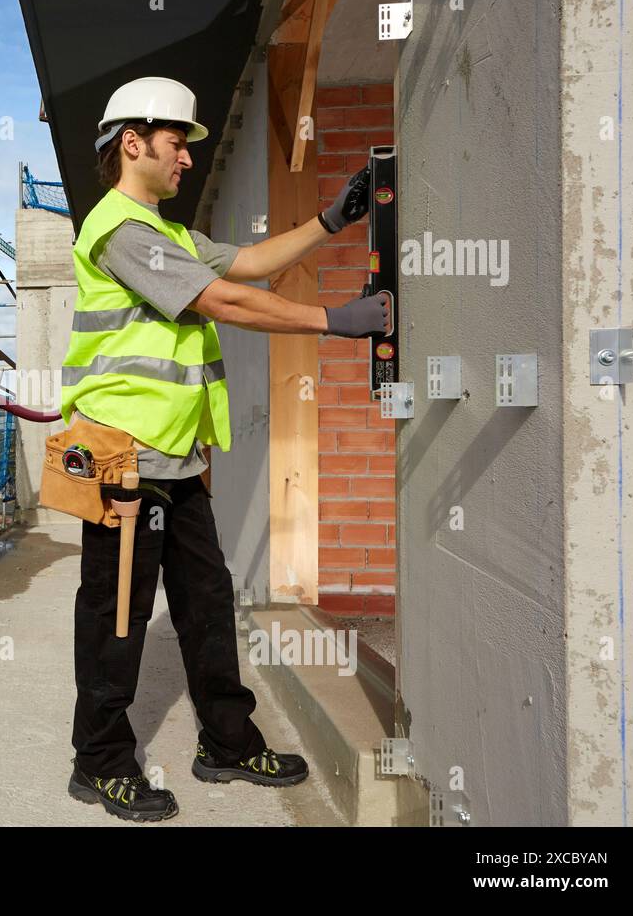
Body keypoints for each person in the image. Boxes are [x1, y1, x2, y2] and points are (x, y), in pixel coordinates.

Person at [61, 76, 389, 822]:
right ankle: (101, 761)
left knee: (207, 607)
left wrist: (328, 219)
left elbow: (246, 264)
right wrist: (332, 321)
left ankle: (228, 744)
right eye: (178, 144)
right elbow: (224, 302)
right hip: (125, 465)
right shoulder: (119, 229)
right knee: (116, 617)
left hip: (175, 464)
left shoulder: (170, 234)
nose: (186, 160)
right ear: (133, 143)